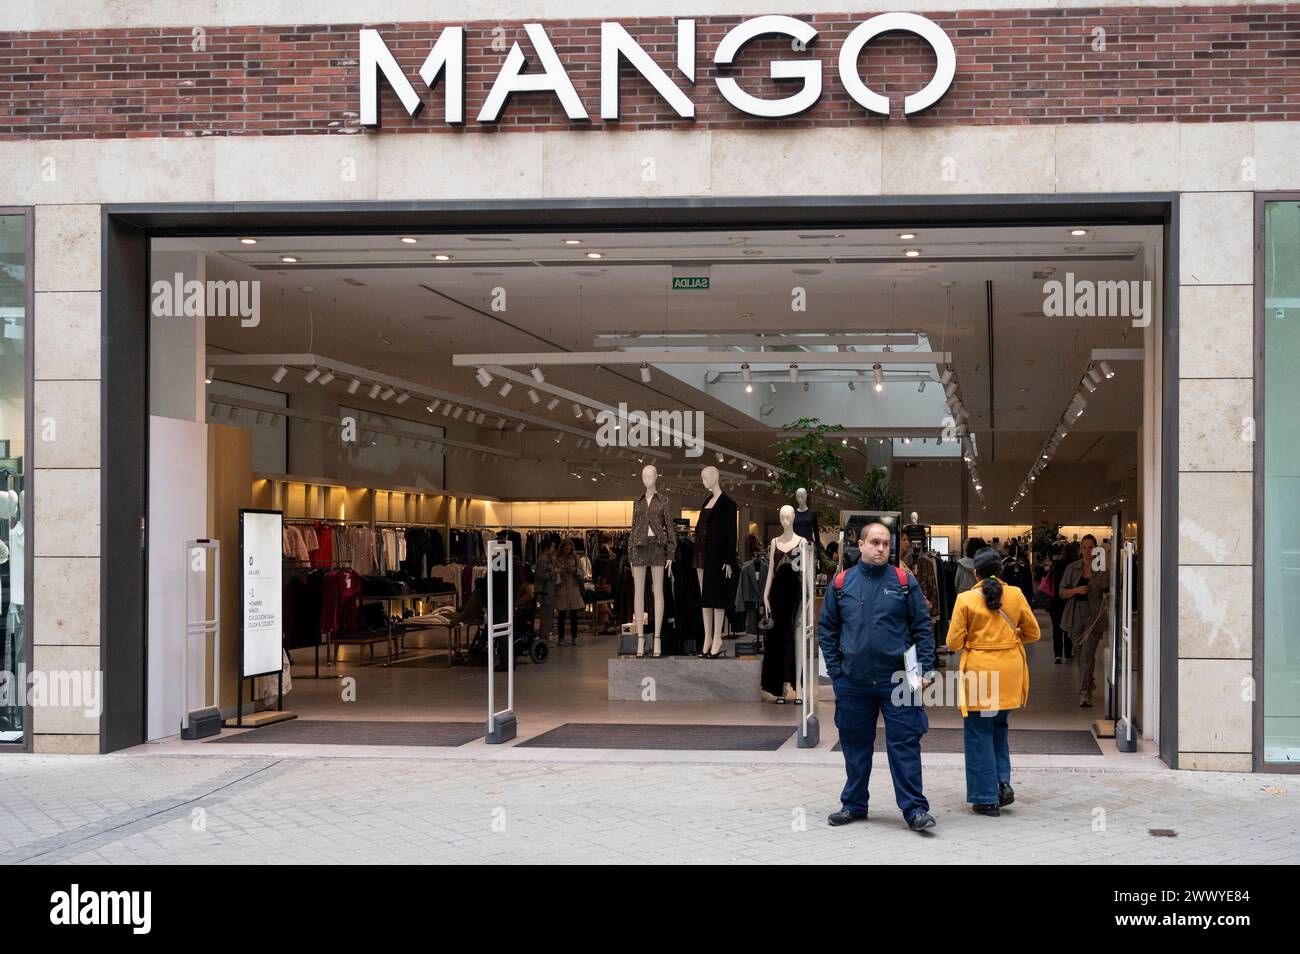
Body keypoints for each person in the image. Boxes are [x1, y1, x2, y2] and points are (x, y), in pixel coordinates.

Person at [818, 521, 937, 831]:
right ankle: (854, 805)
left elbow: (923, 628)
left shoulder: (903, 582)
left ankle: (914, 810)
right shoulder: (842, 583)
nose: (881, 548)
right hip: (854, 683)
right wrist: (836, 673)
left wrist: (922, 670)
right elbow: (827, 630)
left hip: (900, 680)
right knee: (855, 746)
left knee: (905, 745)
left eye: (886, 543)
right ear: (861, 545)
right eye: (875, 542)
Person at [946, 547, 1041, 817]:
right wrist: (1008, 642)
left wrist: (975, 643)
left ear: (975, 572)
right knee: (999, 728)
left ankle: (986, 798)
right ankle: (1002, 784)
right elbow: (1033, 632)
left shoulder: (965, 599)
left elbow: (953, 642)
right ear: (1001, 571)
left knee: (978, 732)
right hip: (1009, 671)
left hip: (980, 673)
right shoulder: (1016, 594)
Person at [1058, 534, 1111, 707]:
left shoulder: (1102, 569)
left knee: (1087, 655)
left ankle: (1084, 693)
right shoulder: (1073, 568)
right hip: (1075, 614)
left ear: (1096, 549)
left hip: (1094, 615)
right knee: (1079, 653)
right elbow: (1062, 593)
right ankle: (1088, 681)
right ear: (1080, 549)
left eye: (1091, 547)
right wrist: (1077, 590)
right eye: (1085, 547)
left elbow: (1110, 588)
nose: (1088, 551)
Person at [1047, 542, 1078, 664]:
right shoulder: (1074, 566)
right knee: (1068, 626)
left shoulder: (1056, 565)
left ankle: (1057, 654)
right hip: (1069, 600)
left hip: (1055, 600)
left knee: (1057, 628)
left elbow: (1049, 579)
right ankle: (1068, 652)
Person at [553, 539, 585, 645]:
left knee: (573, 614)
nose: (568, 550)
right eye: (566, 548)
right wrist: (560, 570)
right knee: (561, 614)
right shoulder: (556, 558)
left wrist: (574, 570)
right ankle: (561, 638)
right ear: (562, 548)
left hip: (573, 588)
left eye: (569, 548)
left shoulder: (576, 558)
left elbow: (582, 572)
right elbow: (553, 571)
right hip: (561, 588)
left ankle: (574, 637)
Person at [534, 535, 558, 644]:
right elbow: (541, 575)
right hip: (545, 591)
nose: (553, 550)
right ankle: (543, 635)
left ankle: (546, 634)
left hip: (549, 590)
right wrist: (553, 572)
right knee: (545, 613)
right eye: (552, 547)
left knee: (548, 613)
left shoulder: (548, 559)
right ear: (546, 548)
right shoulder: (542, 560)